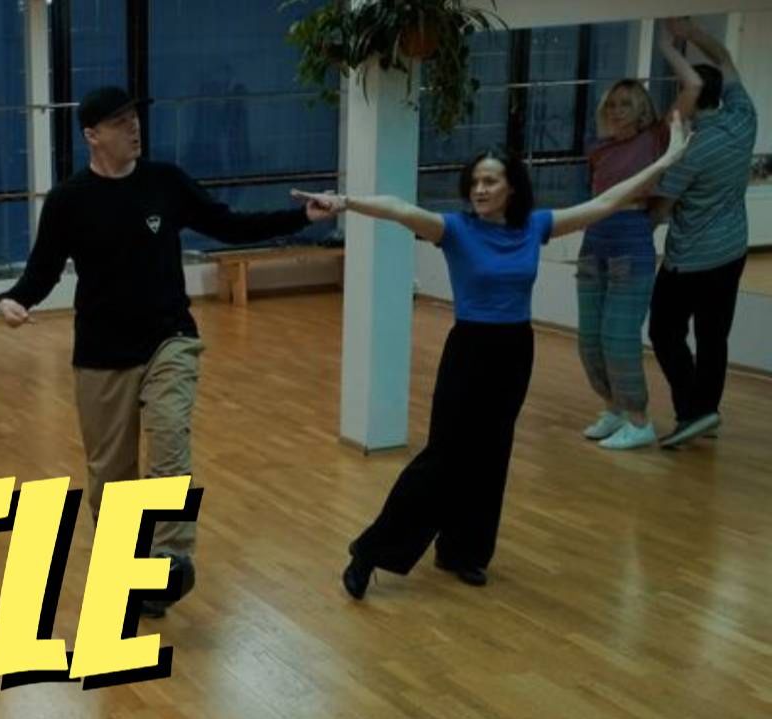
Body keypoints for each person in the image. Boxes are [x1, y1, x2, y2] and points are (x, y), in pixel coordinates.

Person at [292, 111, 690, 600]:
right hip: (469, 349)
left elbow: (607, 201)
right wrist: (345, 201)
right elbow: (398, 208)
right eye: (475, 182)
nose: (479, 189)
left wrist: (668, 158)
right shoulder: (455, 230)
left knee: (491, 453)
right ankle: (370, 552)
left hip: (515, 349)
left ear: (511, 188)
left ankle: (463, 552)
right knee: (443, 457)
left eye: (490, 181)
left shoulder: (535, 227)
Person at [0, 86, 334, 618]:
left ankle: (171, 557)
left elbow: (228, 224)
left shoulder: (165, 182)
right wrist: (13, 299)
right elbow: (43, 269)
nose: (134, 127)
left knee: (171, 437)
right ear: (92, 135)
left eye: (135, 118)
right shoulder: (68, 201)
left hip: (169, 338)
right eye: (120, 121)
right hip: (102, 353)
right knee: (111, 477)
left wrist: (301, 218)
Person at [576, 21, 701, 450]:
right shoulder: (598, 147)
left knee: (618, 338)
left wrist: (670, 44)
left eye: (625, 104)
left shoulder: (657, 137)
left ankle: (639, 419)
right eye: (612, 104)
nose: (616, 111)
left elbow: (693, 86)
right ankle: (613, 408)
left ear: (642, 109)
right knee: (589, 340)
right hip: (594, 240)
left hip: (631, 242)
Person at [647, 17, 758, 449]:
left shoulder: (690, 152)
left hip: (690, 260)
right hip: (732, 251)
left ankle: (692, 410)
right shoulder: (743, 119)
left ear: (692, 99)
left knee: (664, 332)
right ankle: (705, 409)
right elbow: (725, 57)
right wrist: (690, 35)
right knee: (713, 337)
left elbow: (660, 212)